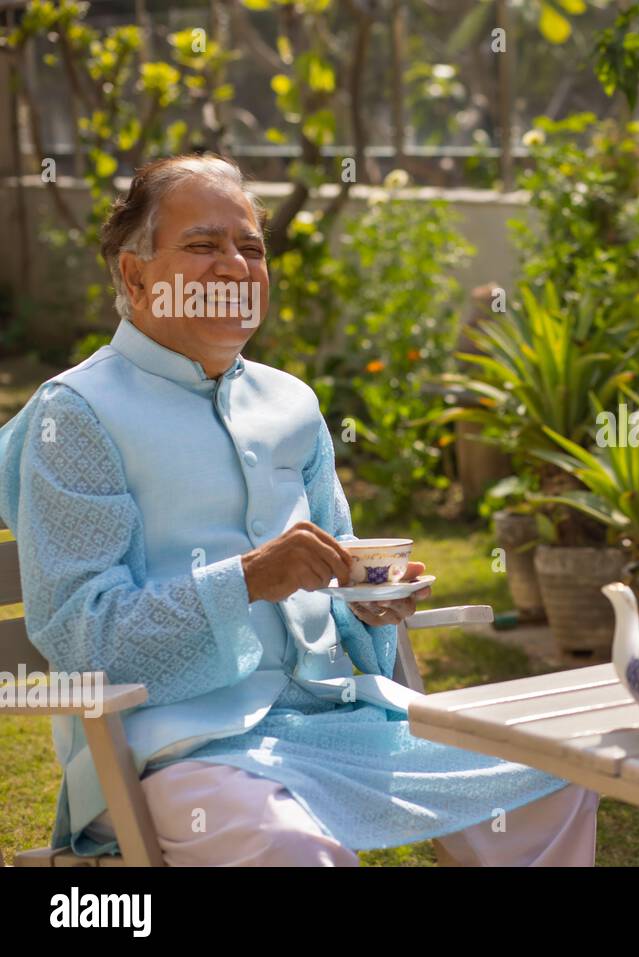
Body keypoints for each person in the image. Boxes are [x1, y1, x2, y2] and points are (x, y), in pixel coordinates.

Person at [0, 153, 599, 866]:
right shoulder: (77, 416)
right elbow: (83, 636)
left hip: (342, 721)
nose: (235, 266)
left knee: (550, 779)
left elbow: (336, 566)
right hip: (182, 750)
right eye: (203, 245)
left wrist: (371, 600)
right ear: (135, 275)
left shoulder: (292, 403)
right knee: (289, 849)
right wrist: (246, 579)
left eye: (250, 248)